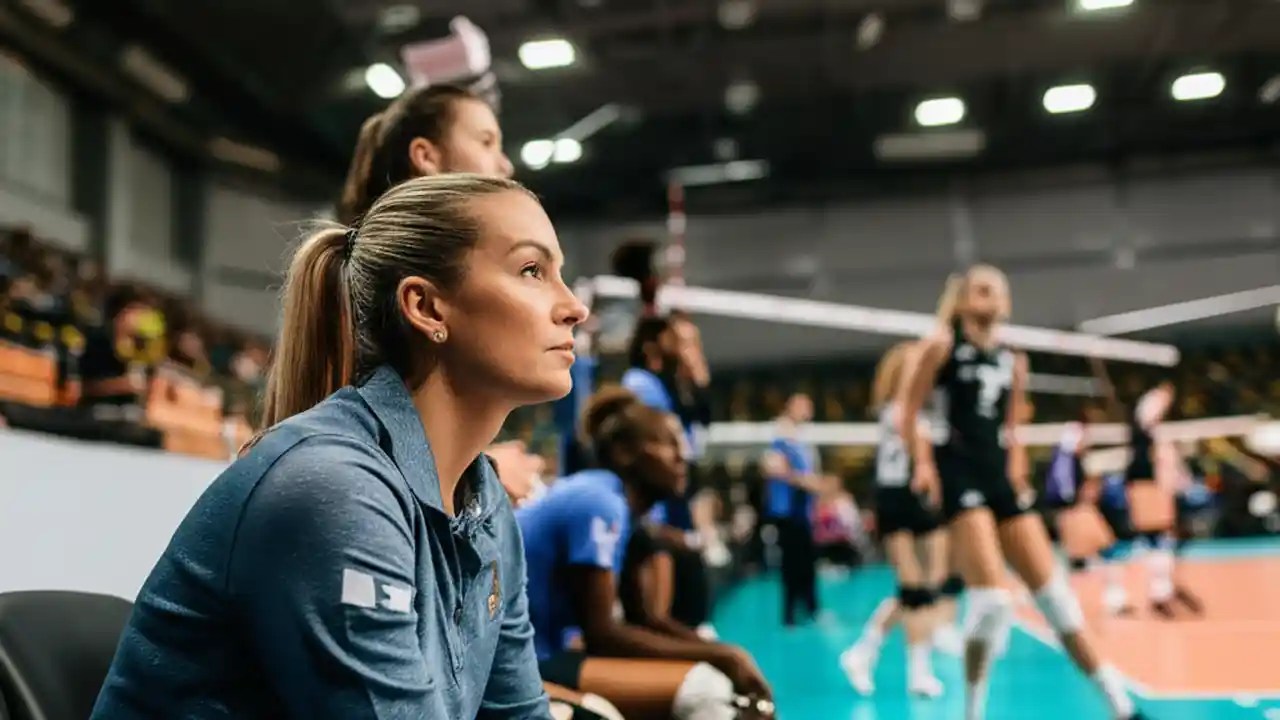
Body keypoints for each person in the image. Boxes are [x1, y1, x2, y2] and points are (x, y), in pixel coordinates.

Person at [92, 174, 585, 719]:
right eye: (532, 270)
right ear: (426, 307)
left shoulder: (484, 499)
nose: (573, 307)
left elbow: (517, 713)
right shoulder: (335, 488)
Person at [899, 266, 1146, 720]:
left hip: (998, 477)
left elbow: (1012, 426)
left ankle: (1121, 707)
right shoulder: (942, 347)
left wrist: (1016, 470)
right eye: (981, 289)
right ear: (962, 300)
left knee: (1057, 600)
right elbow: (909, 411)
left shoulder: (1013, 359)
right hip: (959, 474)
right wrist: (923, 463)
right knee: (992, 600)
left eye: (998, 290)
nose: (991, 297)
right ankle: (973, 712)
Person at [337, 84, 545, 506]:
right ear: (426, 156)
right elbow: (347, 435)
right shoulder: (368, 283)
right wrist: (485, 468)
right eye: (485, 141)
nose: (504, 163)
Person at [517, 386, 772, 720]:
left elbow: (644, 619)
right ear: (624, 452)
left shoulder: (620, 508)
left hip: (549, 649)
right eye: (669, 444)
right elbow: (603, 633)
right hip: (528, 660)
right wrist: (723, 657)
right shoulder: (600, 502)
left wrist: (722, 651)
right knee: (707, 693)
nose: (683, 456)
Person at [841, 342, 947, 698]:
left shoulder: (919, 411)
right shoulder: (899, 410)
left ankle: (864, 652)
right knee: (914, 590)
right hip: (897, 497)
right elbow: (915, 438)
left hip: (916, 498)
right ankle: (914, 672)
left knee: (924, 590)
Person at [761, 392, 823, 627]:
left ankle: (809, 608)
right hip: (788, 512)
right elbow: (774, 468)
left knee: (806, 562)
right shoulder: (781, 437)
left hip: (802, 511)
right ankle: (790, 614)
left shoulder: (800, 439)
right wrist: (803, 481)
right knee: (792, 564)